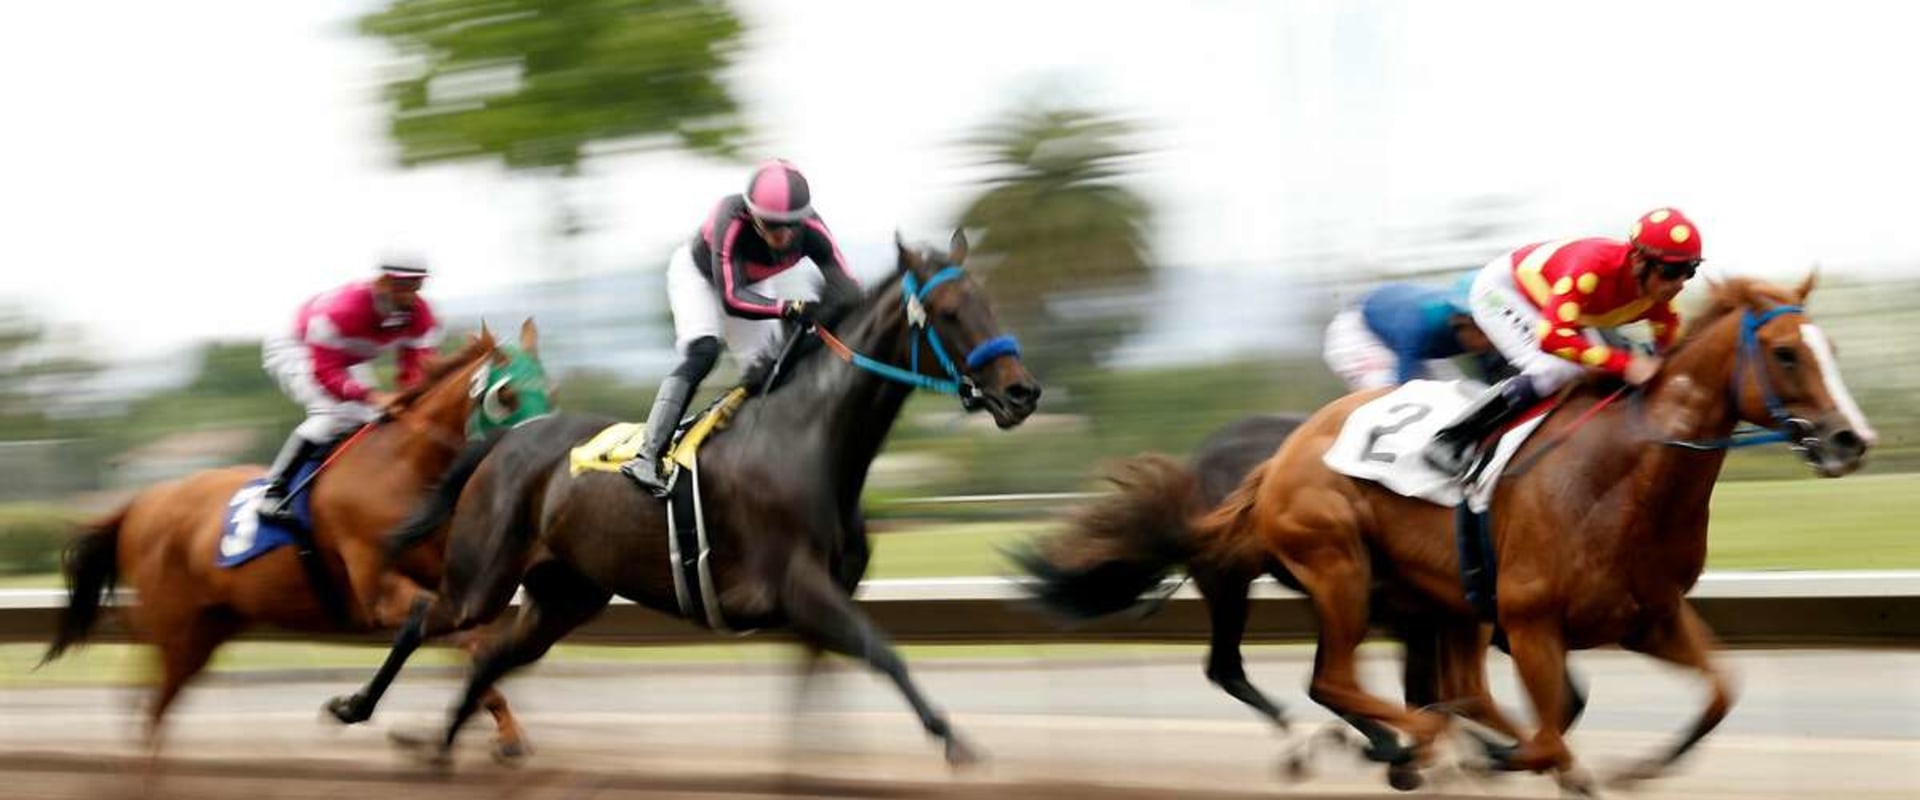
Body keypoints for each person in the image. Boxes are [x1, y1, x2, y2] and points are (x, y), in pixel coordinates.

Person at [621, 159, 861, 495]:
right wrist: (787, 308)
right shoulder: (729, 216)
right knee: (704, 351)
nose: (784, 235)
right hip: (701, 279)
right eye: (772, 225)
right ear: (751, 214)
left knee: (773, 376)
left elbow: (849, 290)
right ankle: (647, 455)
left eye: (792, 225)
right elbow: (731, 297)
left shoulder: (814, 230)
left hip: (755, 285)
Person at [1423, 208, 1703, 475]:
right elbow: (1553, 338)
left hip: (1556, 305)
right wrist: (1627, 363)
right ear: (1639, 260)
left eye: (1688, 271)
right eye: (1670, 271)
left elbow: (1668, 360)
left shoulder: (1662, 305)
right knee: (1555, 370)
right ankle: (1452, 439)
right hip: (1502, 291)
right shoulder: (1594, 268)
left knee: (1601, 373)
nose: (1679, 283)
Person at [257, 256, 440, 525]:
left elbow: (415, 368)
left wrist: (408, 398)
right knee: (332, 414)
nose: (411, 295)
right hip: (297, 348)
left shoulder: (420, 314)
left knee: (371, 418)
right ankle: (274, 490)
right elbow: (325, 373)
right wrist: (373, 396)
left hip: (343, 356)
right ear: (383, 282)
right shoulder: (344, 310)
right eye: (405, 286)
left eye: (417, 286)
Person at [1322, 277, 1498, 391]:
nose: (1492, 341)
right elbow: (1401, 388)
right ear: (1461, 324)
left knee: (1465, 396)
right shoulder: (1417, 330)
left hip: (1400, 327)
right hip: (1360, 333)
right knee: (1387, 399)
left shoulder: (1466, 322)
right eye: (1484, 334)